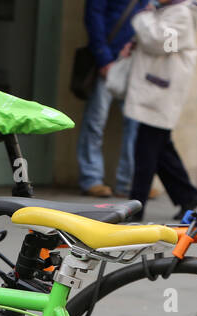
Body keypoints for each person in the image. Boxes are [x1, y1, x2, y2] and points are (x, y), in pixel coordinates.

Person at [123, 0, 197, 220]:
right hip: (157, 90)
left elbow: (161, 43)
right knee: (159, 150)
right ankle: (188, 195)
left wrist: (141, 18)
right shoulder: (168, 11)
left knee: (146, 151)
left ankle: (136, 206)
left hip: (160, 93)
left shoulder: (180, 14)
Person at [77, 0, 146, 198]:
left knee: (136, 125)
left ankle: (129, 182)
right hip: (110, 60)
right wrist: (103, 57)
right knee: (96, 120)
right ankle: (91, 179)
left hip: (139, 64)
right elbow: (94, 16)